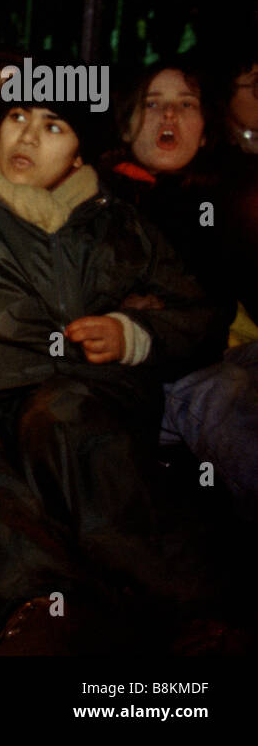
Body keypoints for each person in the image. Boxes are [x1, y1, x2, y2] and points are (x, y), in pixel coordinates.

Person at [0, 87, 225, 652]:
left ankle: (176, 607)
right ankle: (42, 606)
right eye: (17, 118)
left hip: (79, 390)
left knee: (63, 416)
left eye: (54, 126)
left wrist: (134, 334)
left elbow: (199, 315)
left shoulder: (115, 223)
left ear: (80, 155)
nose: (27, 135)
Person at [102, 63, 258, 518]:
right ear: (126, 126)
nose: (169, 115)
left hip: (231, 353)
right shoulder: (97, 196)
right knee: (226, 394)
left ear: (206, 130)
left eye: (185, 105)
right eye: (152, 104)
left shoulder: (228, 194)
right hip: (161, 376)